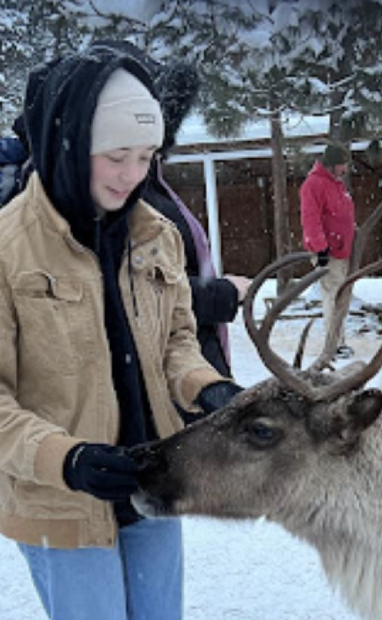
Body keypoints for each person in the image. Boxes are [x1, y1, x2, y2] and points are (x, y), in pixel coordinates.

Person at [0, 46, 242, 620]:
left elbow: (175, 338)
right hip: (61, 503)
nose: (132, 175)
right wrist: (67, 459)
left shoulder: (156, 235)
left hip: (152, 483)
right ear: (68, 143)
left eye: (146, 157)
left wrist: (206, 385)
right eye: (116, 156)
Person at [137, 55, 251, 386]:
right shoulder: (131, 195)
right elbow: (142, 296)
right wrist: (224, 293)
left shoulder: (152, 185)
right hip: (171, 379)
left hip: (191, 365)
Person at [300, 143, 357, 359]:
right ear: (332, 164)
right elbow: (310, 219)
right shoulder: (313, 185)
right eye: (342, 165)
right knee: (333, 295)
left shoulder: (336, 184)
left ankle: (338, 339)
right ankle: (334, 344)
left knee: (341, 295)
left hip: (341, 250)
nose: (345, 169)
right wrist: (320, 248)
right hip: (328, 252)